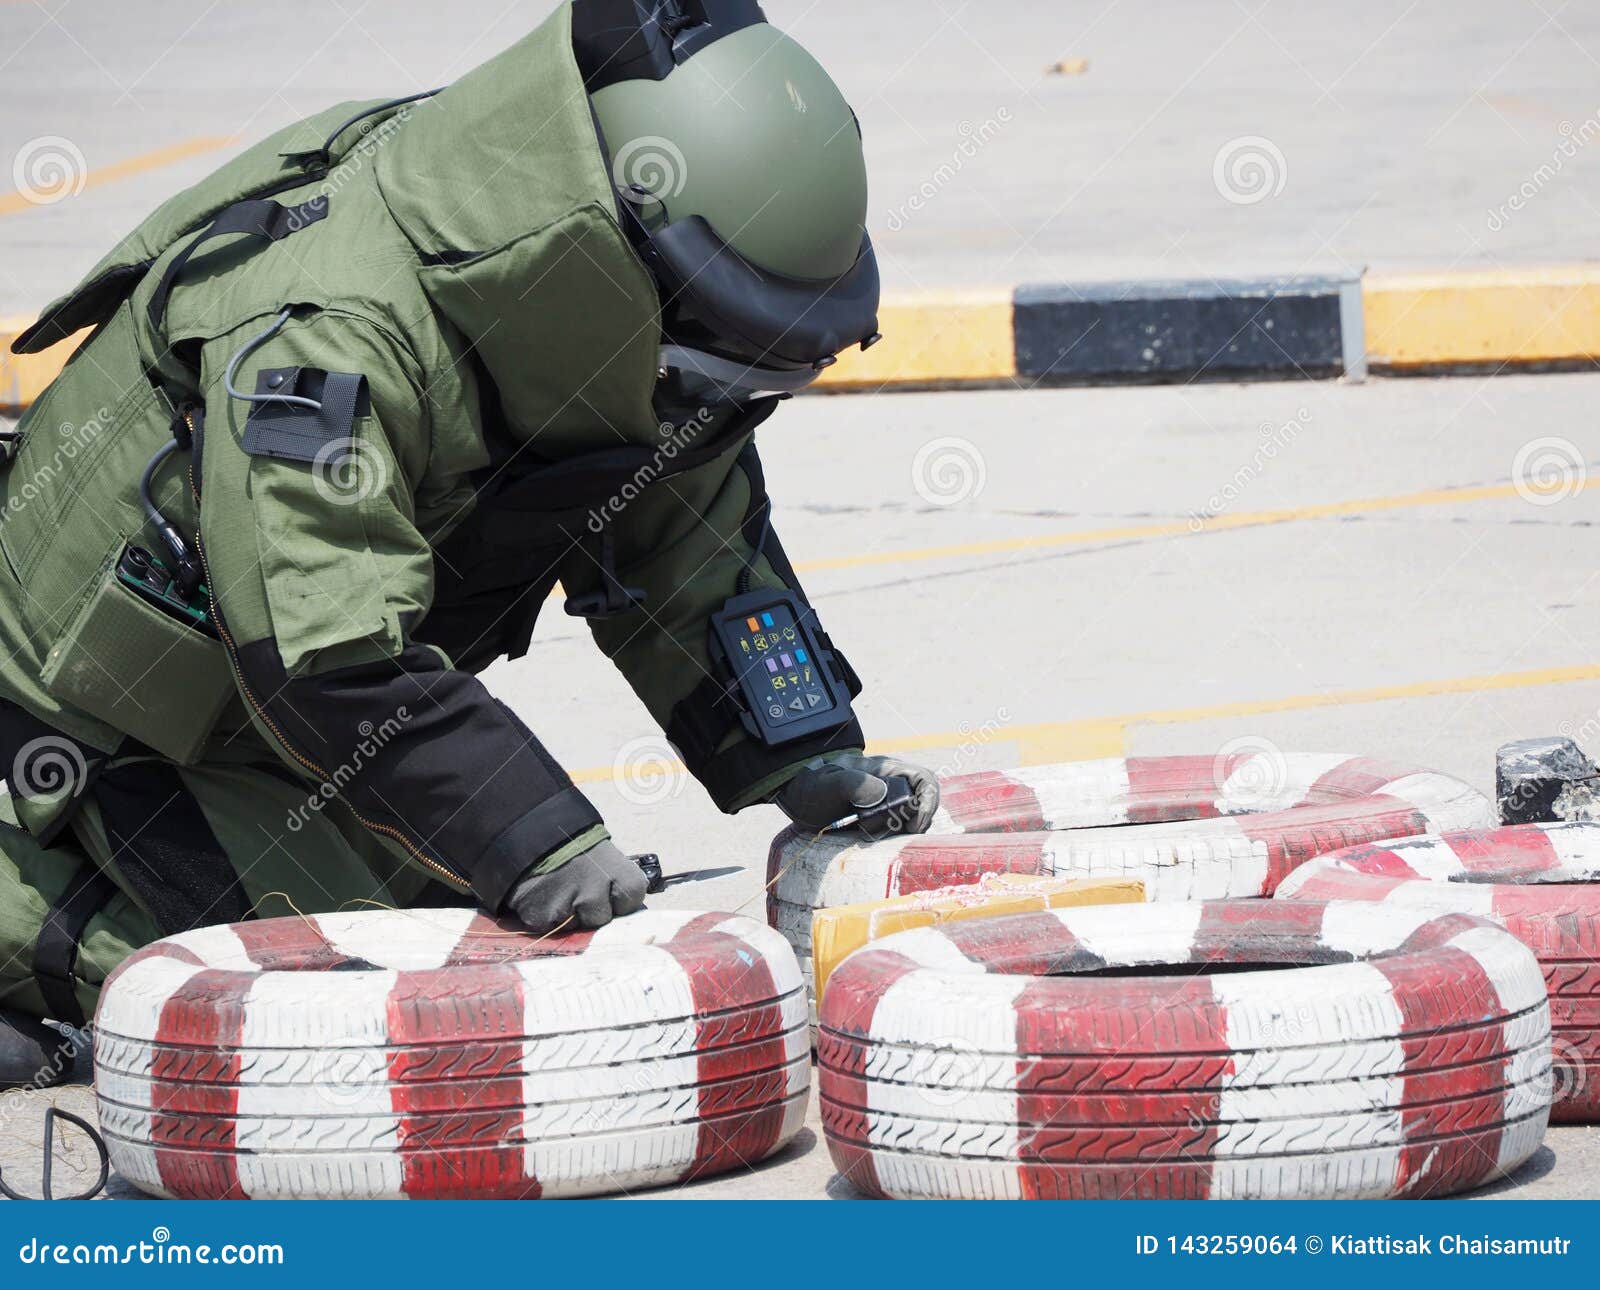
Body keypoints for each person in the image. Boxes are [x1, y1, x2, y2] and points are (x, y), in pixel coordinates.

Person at [0, 0, 939, 1086]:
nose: (717, 404)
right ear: (619, 269)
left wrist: (803, 757)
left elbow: (686, 546)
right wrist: (542, 841)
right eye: (712, 367)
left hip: (277, 731)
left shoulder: (566, 298)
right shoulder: (328, 338)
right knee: (363, 1028)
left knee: (484, 953)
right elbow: (324, 652)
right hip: (97, 739)